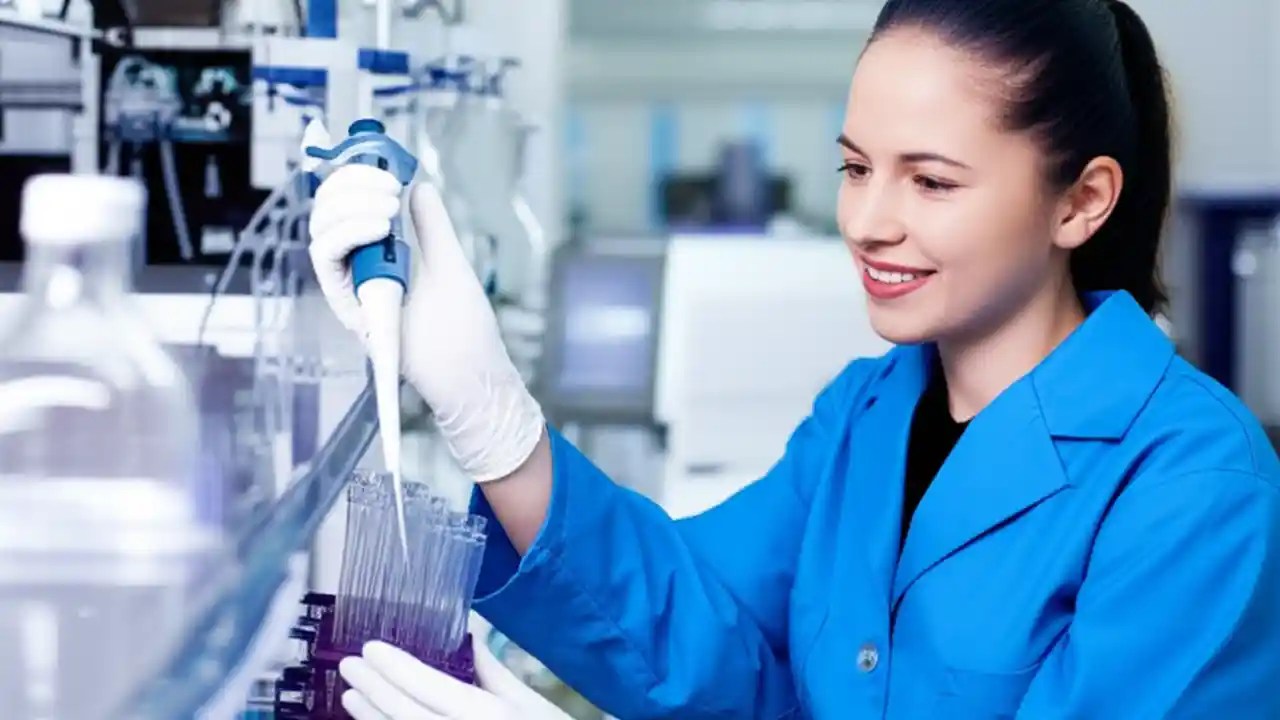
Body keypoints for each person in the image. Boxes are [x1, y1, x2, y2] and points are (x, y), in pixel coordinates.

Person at [308, 0, 1280, 717]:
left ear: (1079, 201)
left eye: (929, 182)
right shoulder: (865, 415)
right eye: (854, 168)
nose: (866, 223)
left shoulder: (1192, 483)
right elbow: (702, 633)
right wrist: (491, 417)